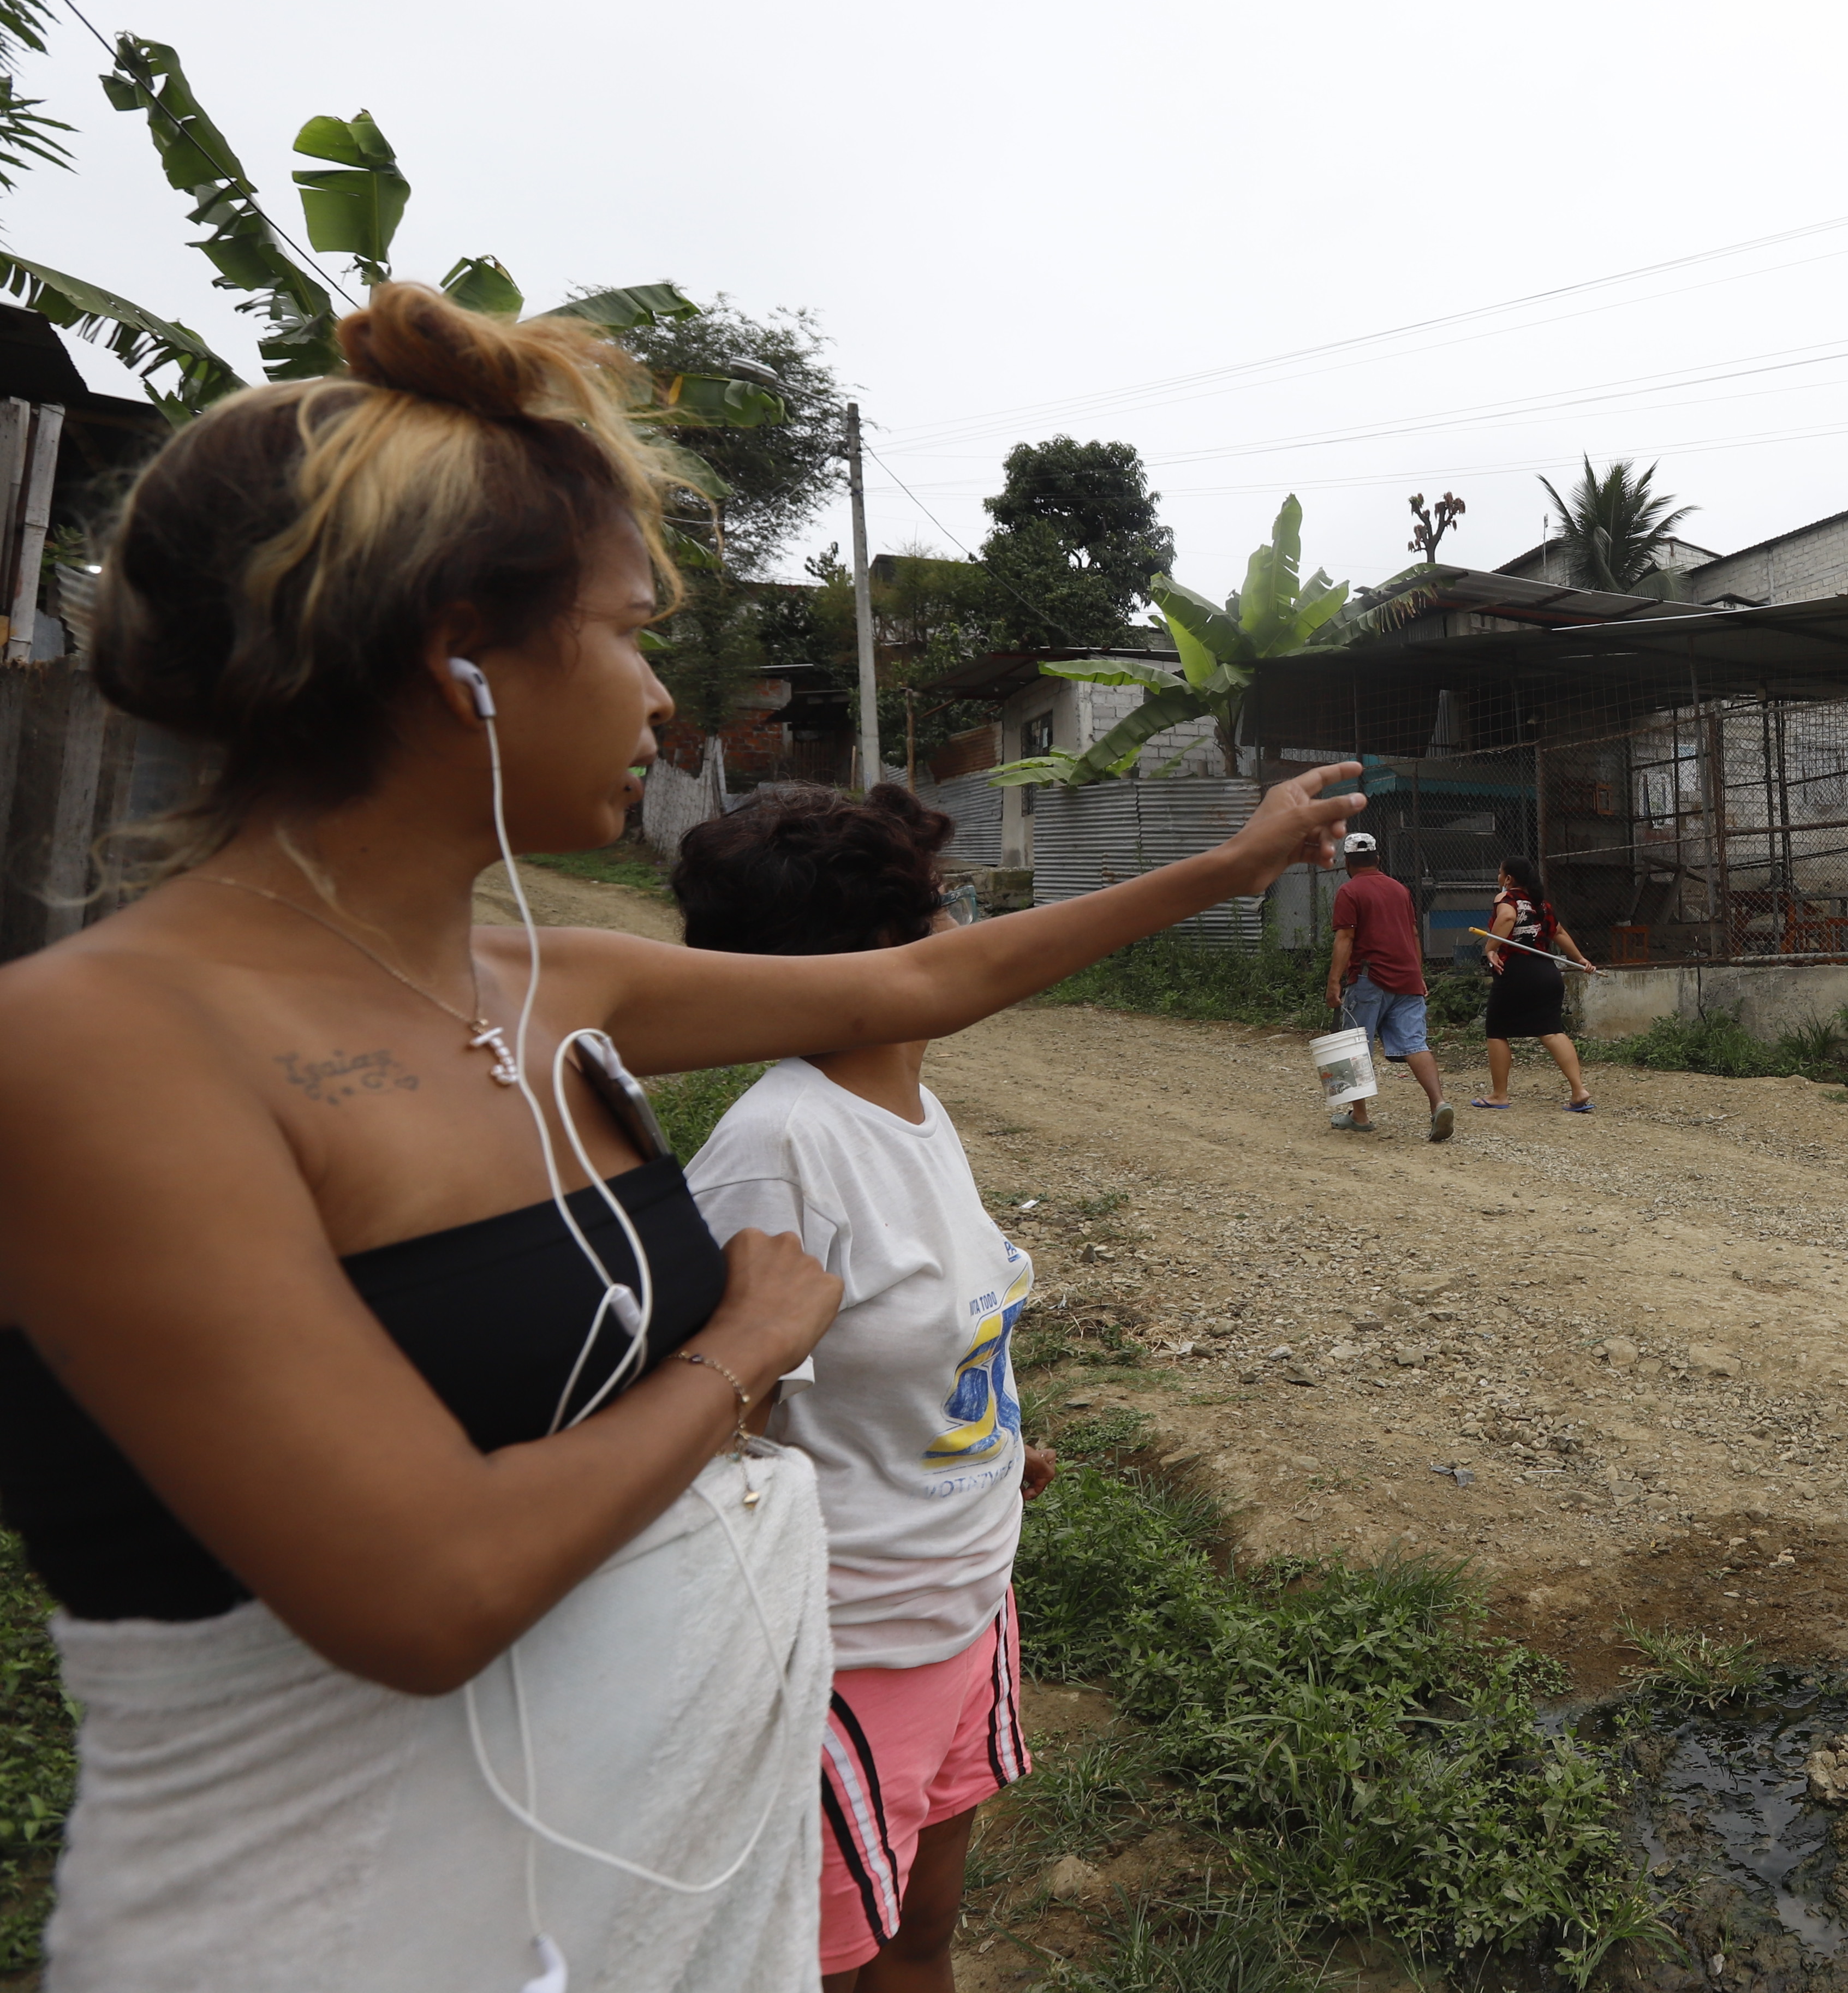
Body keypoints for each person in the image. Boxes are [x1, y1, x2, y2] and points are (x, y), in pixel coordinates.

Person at [0, 281, 1361, 1990]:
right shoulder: (97, 1048)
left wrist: (1226, 869)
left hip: (644, 1886)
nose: (660, 698)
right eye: (630, 628)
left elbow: (921, 974)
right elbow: (422, 1591)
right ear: (459, 652)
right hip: (347, 1924)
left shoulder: (546, 979)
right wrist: (748, 1349)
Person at [670, 784, 1057, 1993]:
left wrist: (986, 1437)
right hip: (848, 1654)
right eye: (943, 912)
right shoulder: (777, 1149)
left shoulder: (911, 1104)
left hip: (963, 1605)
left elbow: (914, 1335)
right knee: (835, 1967)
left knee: (924, 1939)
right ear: (896, 950)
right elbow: (705, 1440)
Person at [1324, 830, 1453, 1142]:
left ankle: (1361, 1116)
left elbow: (1346, 938)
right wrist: (1418, 974)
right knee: (1415, 1044)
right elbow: (1414, 934)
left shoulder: (1350, 891)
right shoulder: (1400, 890)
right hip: (1408, 978)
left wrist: (1334, 982)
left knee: (1353, 1045)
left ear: (1347, 862)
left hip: (1370, 979)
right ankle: (1439, 1104)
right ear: (1378, 859)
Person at [1472, 855, 1595, 1113]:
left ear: (1508, 879)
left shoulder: (1507, 898)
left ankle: (1499, 1095)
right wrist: (1580, 959)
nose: (1498, 879)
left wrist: (1491, 948)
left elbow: (1506, 919)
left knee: (1497, 1030)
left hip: (1517, 972)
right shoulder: (1542, 904)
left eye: (1499, 874)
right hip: (1547, 973)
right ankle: (1578, 1090)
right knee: (1551, 1031)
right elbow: (1559, 933)